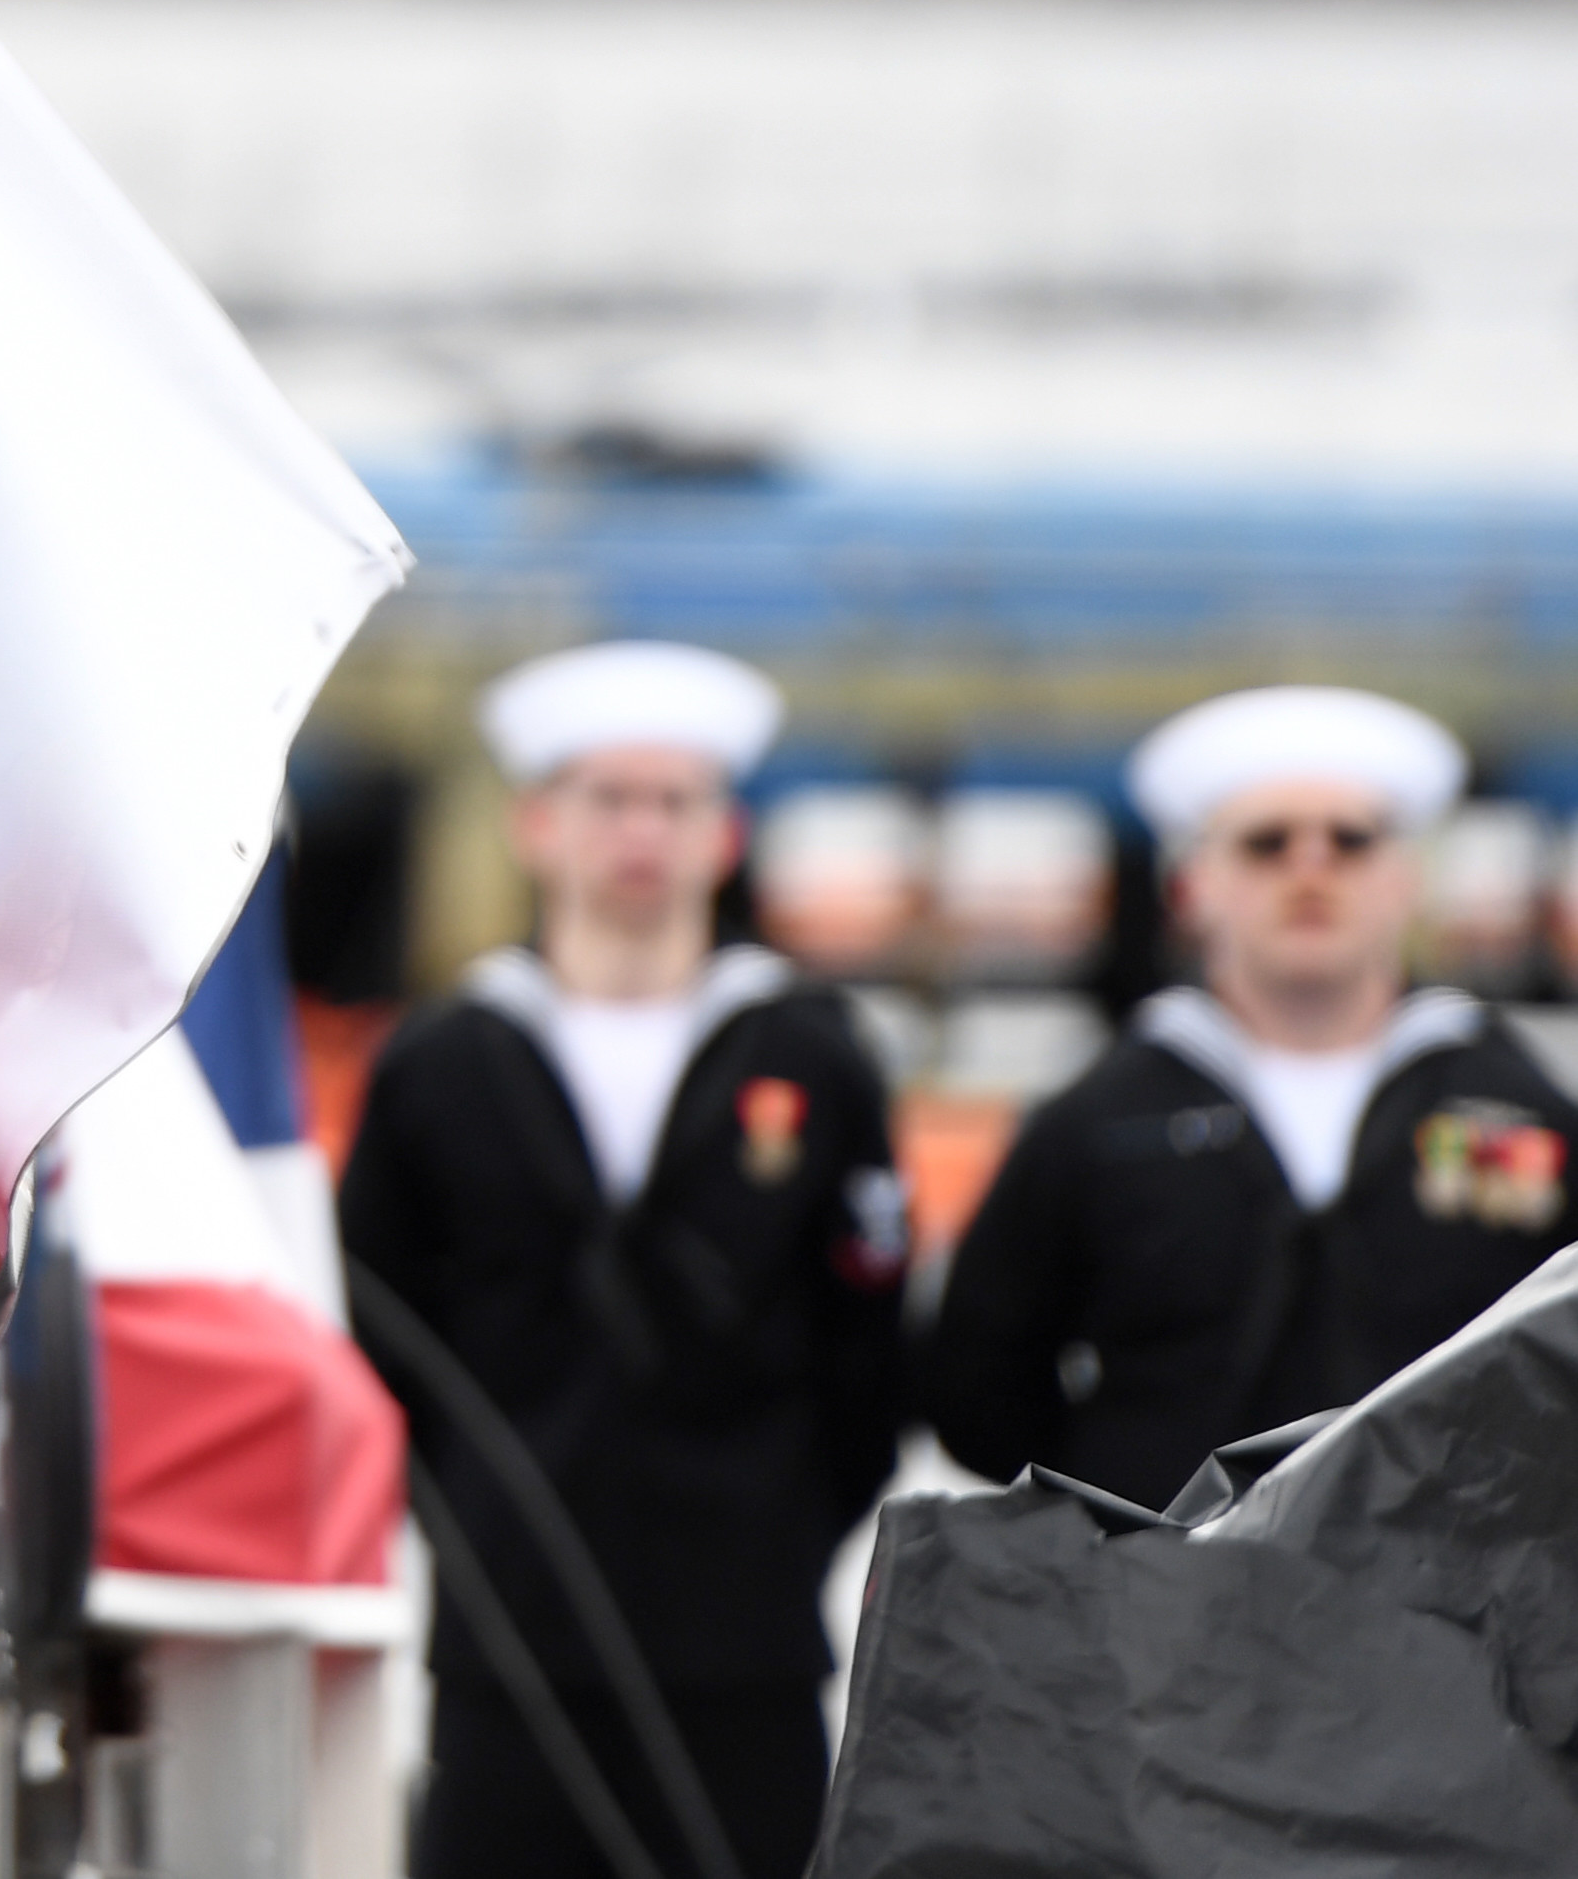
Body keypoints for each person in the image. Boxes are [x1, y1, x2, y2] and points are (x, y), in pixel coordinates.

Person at [334, 642, 904, 1879]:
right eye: (607, 796)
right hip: (508, 1643)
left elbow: (868, 1339)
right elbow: (375, 1324)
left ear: (727, 833)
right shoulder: (443, 1063)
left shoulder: (811, 1056)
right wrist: (483, 1506)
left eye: (675, 799)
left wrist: (787, 1516)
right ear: (535, 823)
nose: (641, 830)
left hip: (746, 1641)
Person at [925, 683, 1578, 1513]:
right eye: (1266, 843)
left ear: (1407, 875)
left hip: (1449, 1610)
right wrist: (1122, 1505)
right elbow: (977, 1380)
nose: (1311, 868)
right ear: (1192, 883)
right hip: (1170, 1611)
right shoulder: (1097, 1121)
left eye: (1351, 839)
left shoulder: (1519, 1105)